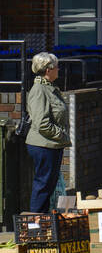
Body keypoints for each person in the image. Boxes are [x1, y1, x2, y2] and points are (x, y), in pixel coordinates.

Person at [25, 53, 71, 214]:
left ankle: (43, 222)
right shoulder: (39, 90)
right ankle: (35, 224)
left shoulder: (49, 88)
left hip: (51, 145)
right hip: (43, 145)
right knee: (43, 185)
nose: (59, 69)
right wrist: (62, 135)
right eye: (57, 66)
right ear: (48, 70)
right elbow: (42, 123)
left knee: (49, 185)